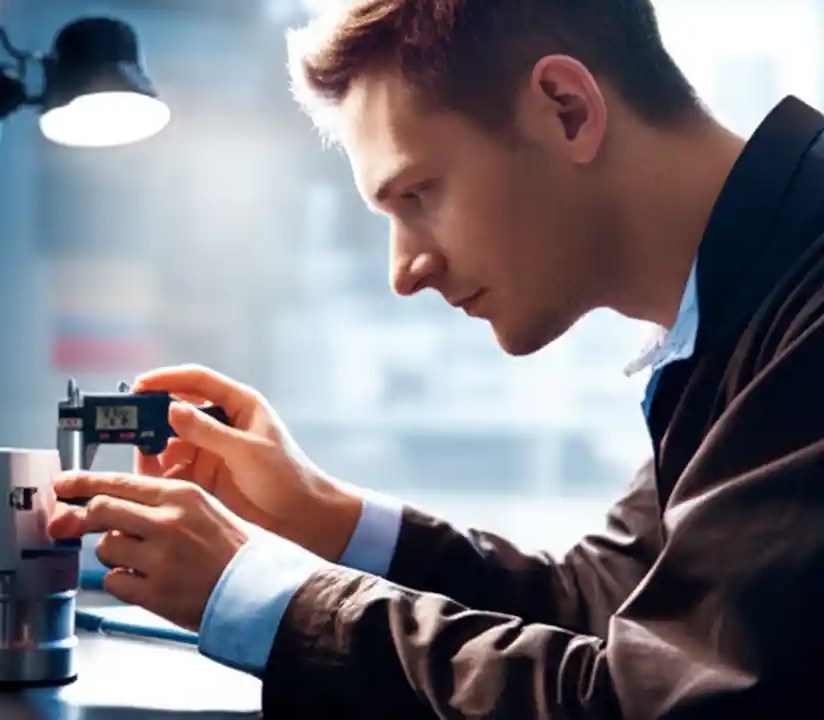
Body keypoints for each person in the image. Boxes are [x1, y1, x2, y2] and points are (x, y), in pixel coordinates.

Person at [47, 0, 824, 716]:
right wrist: (326, 520)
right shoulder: (748, 301)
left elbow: (644, 702)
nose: (403, 271)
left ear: (568, 110)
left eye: (417, 194)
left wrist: (260, 591)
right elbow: (602, 602)